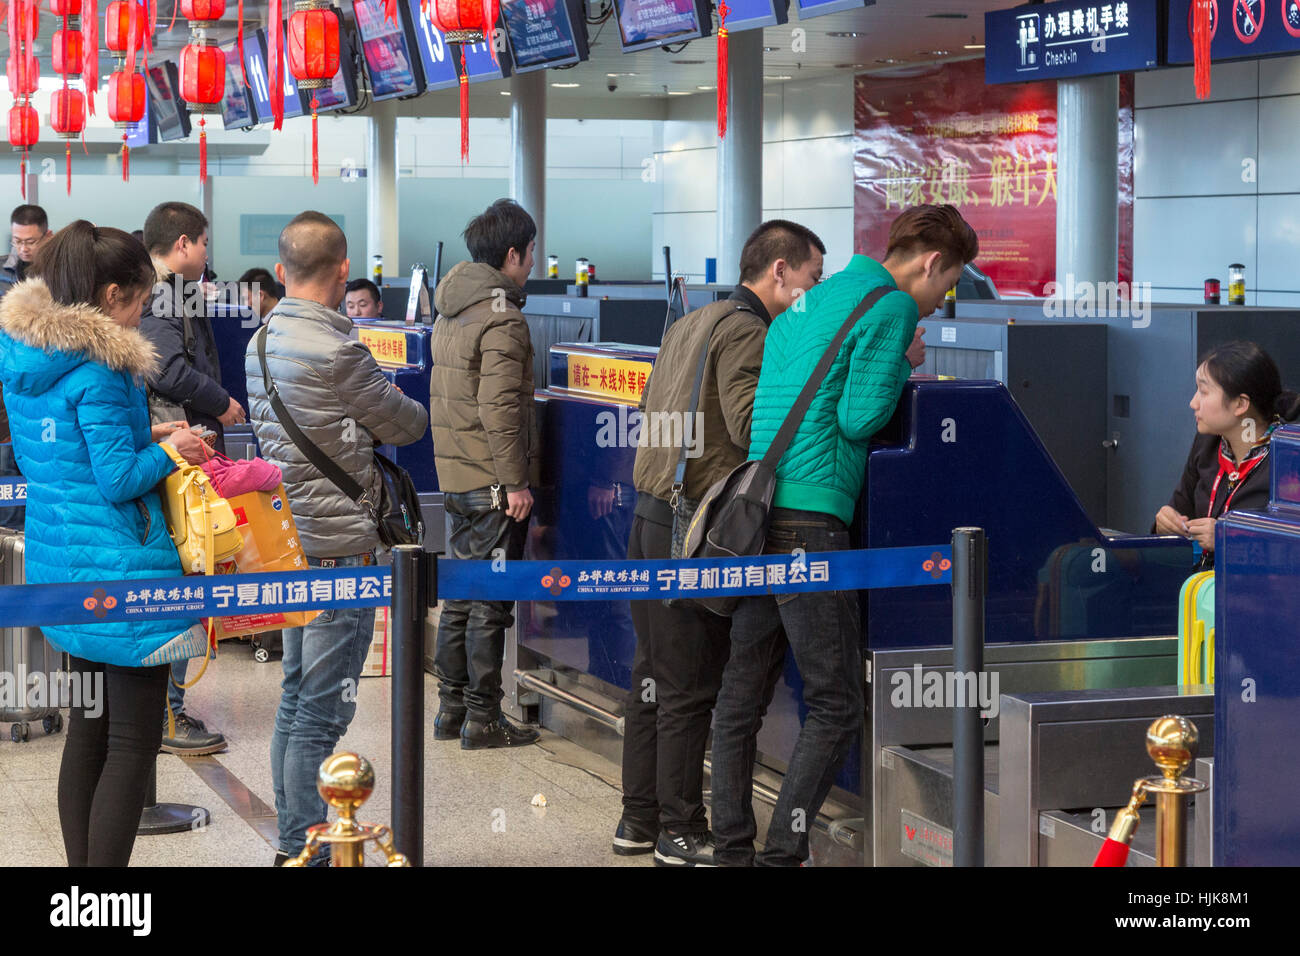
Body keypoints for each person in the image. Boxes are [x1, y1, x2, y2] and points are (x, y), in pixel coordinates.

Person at [710, 203, 979, 867]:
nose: (941, 302)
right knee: (835, 703)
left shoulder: (815, 297)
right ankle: (782, 855)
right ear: (931, 263)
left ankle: (731, 848)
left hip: (761, 508)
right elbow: (859, 419)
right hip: (813, 521)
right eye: (946, 287)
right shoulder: (890, 308)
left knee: (742, 690)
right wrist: (904, 361)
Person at [614, 220, 826, 866]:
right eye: (812, 280)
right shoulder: (750, 333)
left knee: (651, 674)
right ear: (780, 272)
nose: (812, 296)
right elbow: (748, 423)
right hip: (692, 529)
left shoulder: (689, 323)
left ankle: (638, 817)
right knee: (689, 684)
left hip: (649, 516)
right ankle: (681, 828)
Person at [0, 220, 211, 866]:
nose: (145, 313)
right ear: (110, 294)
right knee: (131, 741)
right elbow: (118, 479)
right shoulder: (102, 367)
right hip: (124, 569)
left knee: (87, 735)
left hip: (63, 563)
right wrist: (171, 450)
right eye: (141, 299)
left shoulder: (27, 357)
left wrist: (150, 436)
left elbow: (74, 464)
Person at [244, 211, 427, 865]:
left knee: (297, 697)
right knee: (321, 713)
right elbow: (407, 424)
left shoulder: (259, 342)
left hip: (287, 543)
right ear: (344, 270)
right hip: (339, 552)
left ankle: (296, 844)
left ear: (284, 269)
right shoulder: (340, 351)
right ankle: (307, 850)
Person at [427, 199, 541, 749]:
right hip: (492, 483)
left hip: (455, 476)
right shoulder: (503, 317)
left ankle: (451, 712)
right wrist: (516, 482)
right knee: (490, 604)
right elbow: (500, 409)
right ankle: (484, 719)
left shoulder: (450, 309)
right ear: (513, 254)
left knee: (461, 597)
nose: (533, 266)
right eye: (531, 254)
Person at [139, 201, 242, 755]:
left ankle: (168, 710)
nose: (207, 255)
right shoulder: (162, 293)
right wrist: (222, 404)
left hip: (178, 443)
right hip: (176, 448)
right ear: (182, 244)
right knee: (183, 576)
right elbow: (170, 370)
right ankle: (170, 715)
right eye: (203, 244)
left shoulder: (168, 291)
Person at [1155, 341, 1300, 568]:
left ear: (1240, 404)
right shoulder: (1207, 443)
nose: (1193, 403)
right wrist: (1164, 523)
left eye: (1203, 392)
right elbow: (1180, 509)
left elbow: (1290, 552)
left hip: (1257, 593)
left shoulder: (1289, 459)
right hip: (1200, 586)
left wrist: (1230, 540)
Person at [1, 204, 50, 294]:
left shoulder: (58, 270)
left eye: (31, 242)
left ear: (47, 236)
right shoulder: (2, 268)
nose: (23, 249)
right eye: (17, 241)